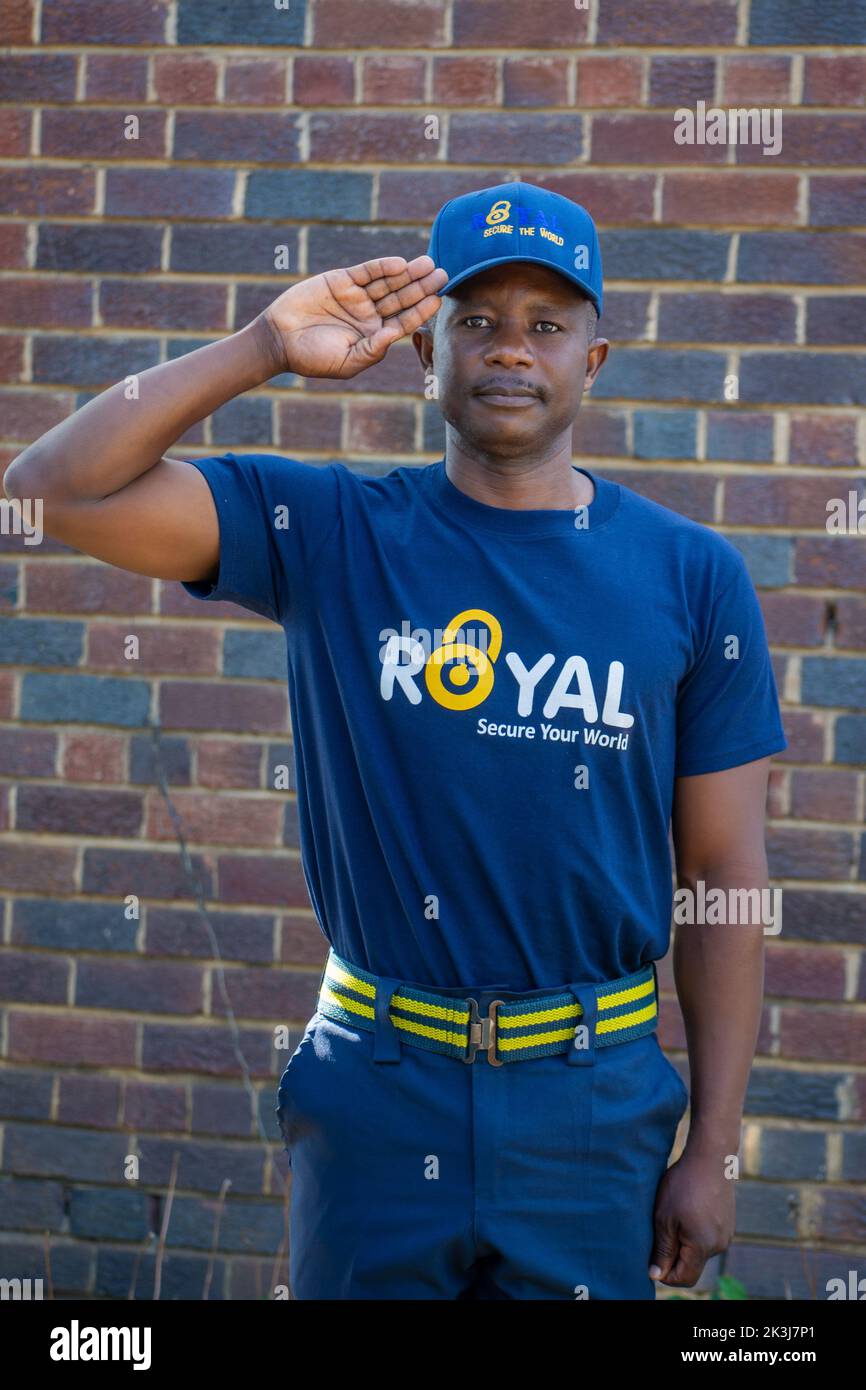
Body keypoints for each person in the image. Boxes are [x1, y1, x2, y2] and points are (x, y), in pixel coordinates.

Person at [4, 180, 787, 1301]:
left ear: (593, 360)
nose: (509, 350)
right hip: (376, 1089)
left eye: (544, 325)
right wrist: (262, 344)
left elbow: (720, 875)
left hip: (591, 1097)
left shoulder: (688, 574)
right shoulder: (331, 532)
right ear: (425, 353)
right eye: (474, 321)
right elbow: (50, 489)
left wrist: (711, 1146)